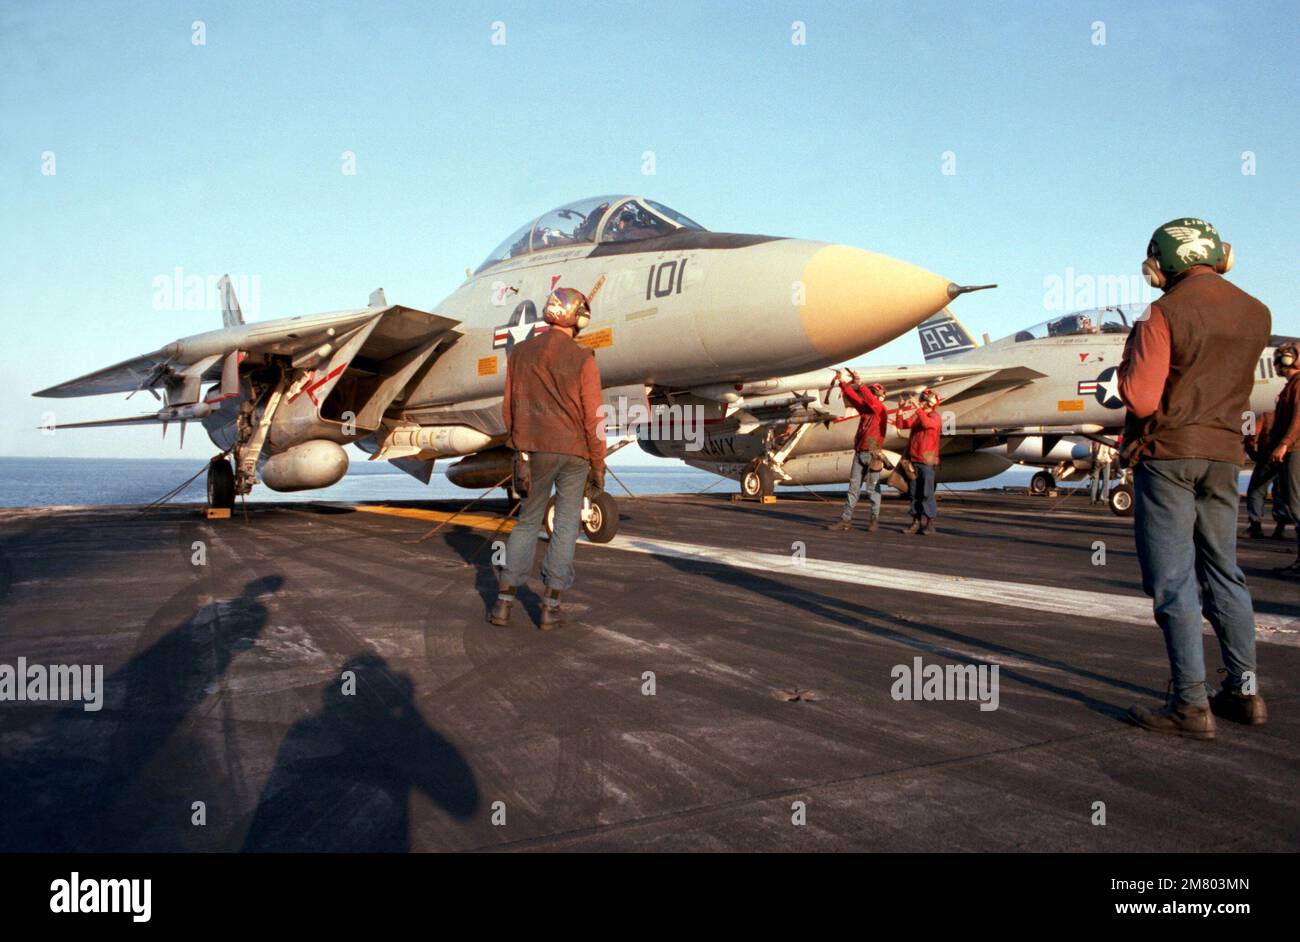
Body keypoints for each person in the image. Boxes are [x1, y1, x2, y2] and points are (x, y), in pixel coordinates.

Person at [1120, 218, 1271, 739]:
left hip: (1169, 456)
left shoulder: (1163, 313)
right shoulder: (1257, 311)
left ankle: (1189, 705)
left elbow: (1140, 398)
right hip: (1226, 456)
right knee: (1225, 573)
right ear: (1220, 256)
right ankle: (1244, 694)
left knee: (1174, 582)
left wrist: (1124, 369)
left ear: (1158, 266)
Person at [489, 284, 606, 630]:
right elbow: (594, 417)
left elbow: (508, 407)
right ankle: (550, 608)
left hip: (534, 450)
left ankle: (503, 605)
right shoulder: (584, 358)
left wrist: (518, 447)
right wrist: (598, 464)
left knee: (527, 521)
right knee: (566, 525)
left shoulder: (521, 353)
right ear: (578, 319)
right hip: (575, 453)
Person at [826, 370, 889, 532]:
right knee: (853, 488)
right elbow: (854, 398)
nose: (870, 397)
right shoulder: (866, 410)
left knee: (872, 489)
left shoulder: (880, 409)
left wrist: (860, 384)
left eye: (874, 394)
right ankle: (845, 520)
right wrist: (842, 383)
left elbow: (870, 400)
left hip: (873, 454)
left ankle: (874, 520)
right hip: (860, 453)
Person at [1268, 341, 1300, 574]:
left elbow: (1299, 419)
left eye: (1282, 357)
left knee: (1297, 506)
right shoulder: (1292, 386)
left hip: (1295, 451)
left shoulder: (1298, 385)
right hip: (1292, 450)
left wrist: (1284, 444)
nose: (1279, 362)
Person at [894, 388, 942, 535]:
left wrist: (917, 409)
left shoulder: (935, 417)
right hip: (913, 461)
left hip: (926, 462)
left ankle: (930, 523)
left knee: (927, 493)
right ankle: (915, 522)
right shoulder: (919, 415)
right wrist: (900, 410)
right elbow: (902, 425)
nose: (920, 403)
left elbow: (928, 424)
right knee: (914, 494)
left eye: (923, 400)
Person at [1243, 410, 1287, 539]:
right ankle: (1280, 527)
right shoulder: (1290, 417)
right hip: (1285, 459)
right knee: (1281, 492)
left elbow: (1252, 435)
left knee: (1256, 491)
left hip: (1266, 458)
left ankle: (1255, 525)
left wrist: (1253, 453)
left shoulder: (1267, 416)